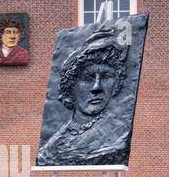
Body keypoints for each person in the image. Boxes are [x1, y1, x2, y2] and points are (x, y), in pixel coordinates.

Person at [36, 21, 130, 166]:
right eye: (88, 78)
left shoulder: (119, 133)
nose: (97, 87)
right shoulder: (51, 146)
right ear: (71, 85)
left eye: (106, 77)